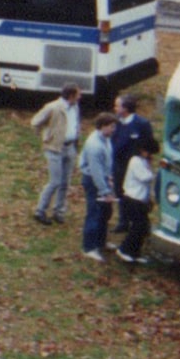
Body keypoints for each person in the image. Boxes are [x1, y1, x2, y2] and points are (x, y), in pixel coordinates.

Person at [29, 83, 81, 224]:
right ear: (71, 96)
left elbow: (75, 124)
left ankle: (59, 211)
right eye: (78, 94)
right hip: (54, 149)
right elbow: (35, 122)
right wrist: (46, 137)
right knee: (55, 182)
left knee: (65, 182)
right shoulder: (53, 107)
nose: (80, 97)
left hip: (70, 147)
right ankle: (40, 211)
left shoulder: (75, 107)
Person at [110, 94, 156, 234]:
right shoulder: (116, 123)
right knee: (120, 192)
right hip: (119, 165)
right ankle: (123, 221)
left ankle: (141, 222)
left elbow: (149, 144)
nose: (115, 108)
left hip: (136, 166)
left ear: (125, 108)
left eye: (117, 105)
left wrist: (147, 162)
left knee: (137, 194)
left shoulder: (141, 124)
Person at [77, 112, 119, 262]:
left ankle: (101, 242)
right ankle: (89, 247)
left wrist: (110, 179)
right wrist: (105, 191)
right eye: (112, 126)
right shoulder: (95, 145)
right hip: (94, 182)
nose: (114, 129)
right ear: (103, 126)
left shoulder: (105, 139)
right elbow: (96, 172)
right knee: (94, 213)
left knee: (105, 213)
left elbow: (106, 164)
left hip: (104, 179)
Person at [116, 134, 159, 265]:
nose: (149, 155)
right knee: (137, 227)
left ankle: (135, 252)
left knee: (143, 227)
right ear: (142, 150)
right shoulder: (135, 161)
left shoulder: (144, 162)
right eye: (148, 152)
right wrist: (154, 172)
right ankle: (124, 249)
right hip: (132, 199)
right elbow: (145, 177)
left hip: (141, 200)